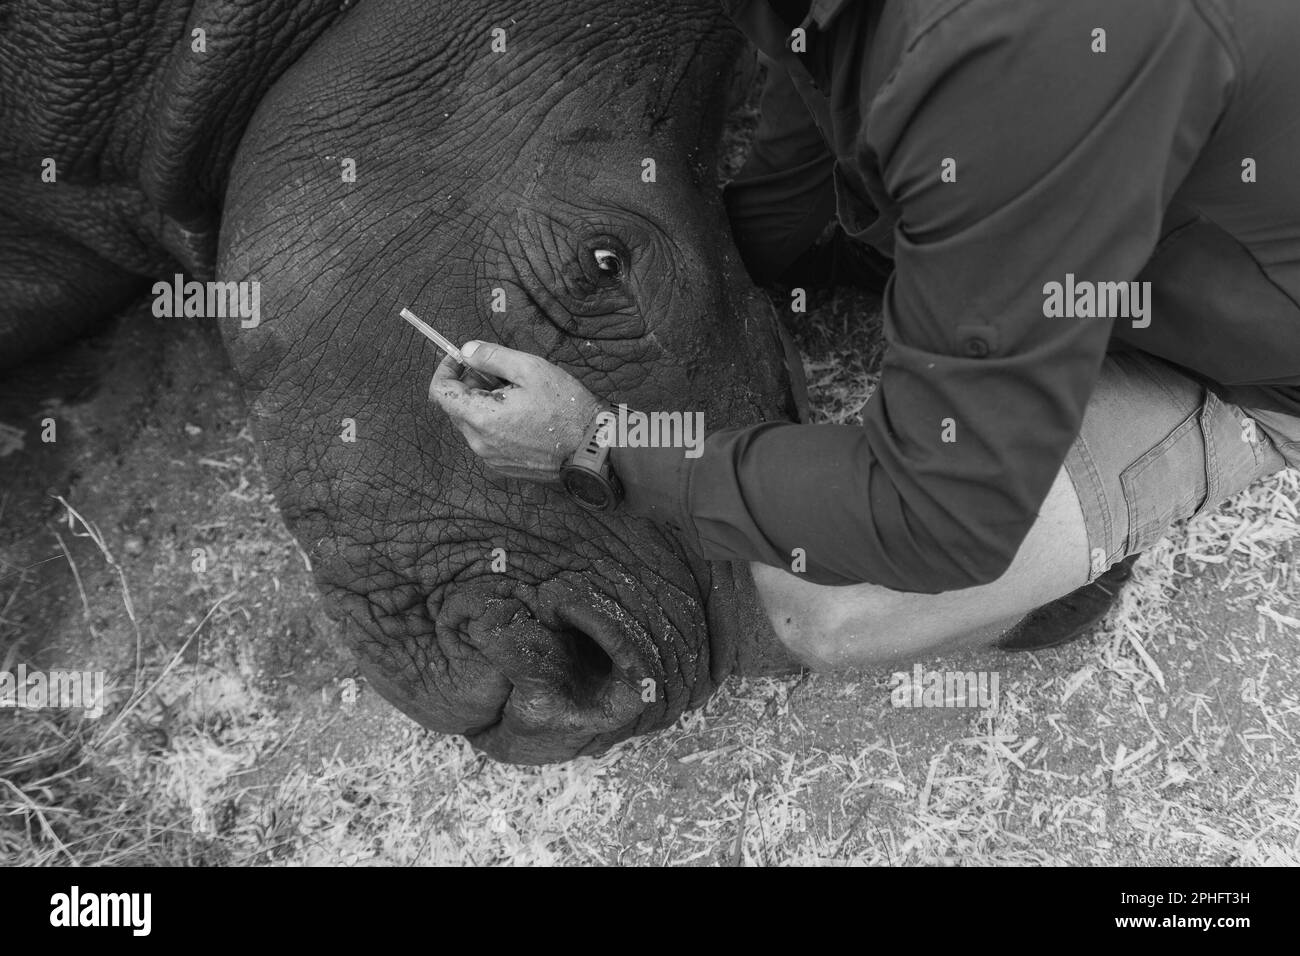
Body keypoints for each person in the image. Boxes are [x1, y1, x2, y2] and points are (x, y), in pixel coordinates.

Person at [431, 0, 1300, 668]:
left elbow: (940, 513)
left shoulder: (1014, 67)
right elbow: (816, 102)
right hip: (1146, 226)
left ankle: (1085, 556)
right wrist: (719, 266)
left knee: (821, 603)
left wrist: (598, 448)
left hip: (1246, 353)